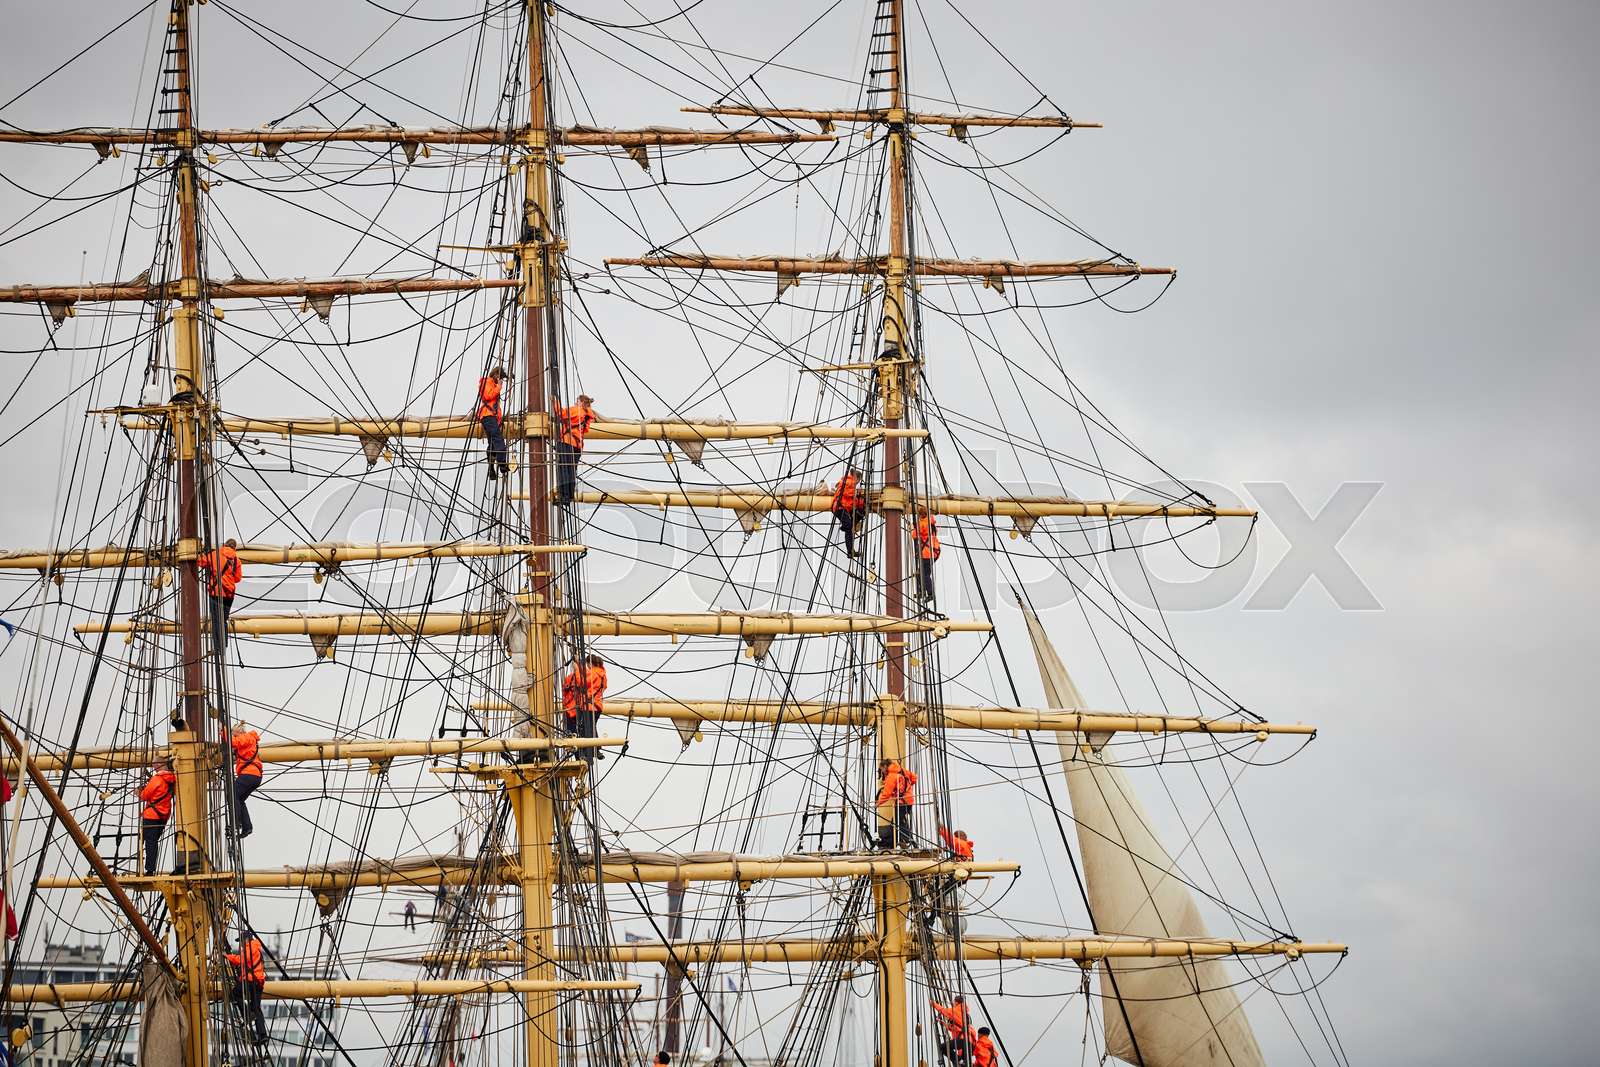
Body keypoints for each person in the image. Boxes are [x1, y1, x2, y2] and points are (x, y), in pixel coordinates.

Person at [225, 932, 270, 1044]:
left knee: (234, 994)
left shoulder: (250, 948)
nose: (240, 944)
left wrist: (226, 956)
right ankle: (262, 1035)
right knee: (256, 1007)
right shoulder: (256, 948)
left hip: (250, 981)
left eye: (240, 941)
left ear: (245, 939)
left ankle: (247, 1014)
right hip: (258, 982)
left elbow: (240, 960)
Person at [197, 538, 242, 645]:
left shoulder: (214, 555)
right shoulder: (236, 560)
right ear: (234, 548)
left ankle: (217, 645)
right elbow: (237, 578)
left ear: (224, 545)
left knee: (216, 618)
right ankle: (224, 644)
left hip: (216, 592)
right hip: (229, 595)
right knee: (223, 619)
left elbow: (200, 562)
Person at [561, 655, 606, 760]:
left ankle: (589, 752)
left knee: (583, 730)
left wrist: (577, 669)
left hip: (589, 706)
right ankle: (592, 750)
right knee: (586, 729)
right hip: (588, 706)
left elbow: (583, 682)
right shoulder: (600, 674)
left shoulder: (596, 674)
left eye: (587, 664)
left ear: (591, 663)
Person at [139, 758, 177, 876]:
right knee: (153, 841)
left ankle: (150, 870)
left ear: (160, 765)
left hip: (152, 815)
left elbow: (145, 796)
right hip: (163, 816)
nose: (154, 768)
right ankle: (151, 868)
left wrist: (139, 792)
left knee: (149, 842)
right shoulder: (173, 778)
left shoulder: (157, 779)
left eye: (154, 765)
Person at [555, 393, 596, 504]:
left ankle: (564, 496)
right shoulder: (586, 415)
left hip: (568, 442)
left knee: (563, 469)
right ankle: (569, 495)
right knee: (571, 471)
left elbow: (561, 413)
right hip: (577, 446)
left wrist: (554, 400)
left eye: (577, 401)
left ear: (581, 402)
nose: (575, 403)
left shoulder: (577, 411)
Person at [477, 366, 512, 481]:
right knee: (498, 440)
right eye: (500, 376)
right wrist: (499, 386)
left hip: (492, 417)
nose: (500, 379)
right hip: (488, 416)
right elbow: (488, 396)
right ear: (496, 374)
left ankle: (491, 468)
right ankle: (502, 465)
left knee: (492, 444)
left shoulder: (493, 384)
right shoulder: (487, 382)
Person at [875, 757, 916, 849]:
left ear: (885, 766)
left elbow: (887, 794)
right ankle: (903, 840)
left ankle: (903, 841)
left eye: (882, 770)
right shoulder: (902, 771)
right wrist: (905, 788)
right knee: (899, 821)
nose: (883, 773)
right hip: (909, 800)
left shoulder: (892, 776)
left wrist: (877, 804)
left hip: (901, 802)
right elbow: (914, 778)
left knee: (896, 823)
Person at [231, 725, 263, 839]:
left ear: (240, 732)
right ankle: (247, 827)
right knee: (239, 800)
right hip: (254, 776)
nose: (233, 737)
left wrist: (222, 730)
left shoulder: (247, 737)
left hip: (249, 774)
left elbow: (233, 743)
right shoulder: (247, 742)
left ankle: (236, 821)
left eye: (234, 734)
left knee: (232, 794)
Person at [830, 468, 867, 558]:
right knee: (849, 527)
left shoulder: (846, 480)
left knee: (860, 512)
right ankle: (850, 551)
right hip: (840, 508)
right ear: (857, 478)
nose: (857, 484)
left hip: (843, 508)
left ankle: (846, 526)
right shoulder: (849, 482)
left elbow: (848, 497)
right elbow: (848, 494)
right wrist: (857, 495)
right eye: (858, 481)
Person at [930, 996, 970, 1066]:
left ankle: (959, 1060)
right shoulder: (964, 1012)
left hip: (962, 1039)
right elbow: (957, 1028)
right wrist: (944, 1024)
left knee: (942, 1047)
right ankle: (959, 1062)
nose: (953, 1003)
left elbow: (944, 1011)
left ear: (956, 1002)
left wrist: (934, 1004)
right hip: (967, 1040)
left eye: (954, 1002)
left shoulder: (957, 1010)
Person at [913, 506, 940, 599]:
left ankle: (930, 594)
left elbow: (915, 534)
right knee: (920, 574)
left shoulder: (924, 523)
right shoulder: (930, 522)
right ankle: (923, 592)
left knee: (923, 574)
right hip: (932, 553)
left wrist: (913, 527)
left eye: (920, 515)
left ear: (922, 515)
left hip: (927, 553)